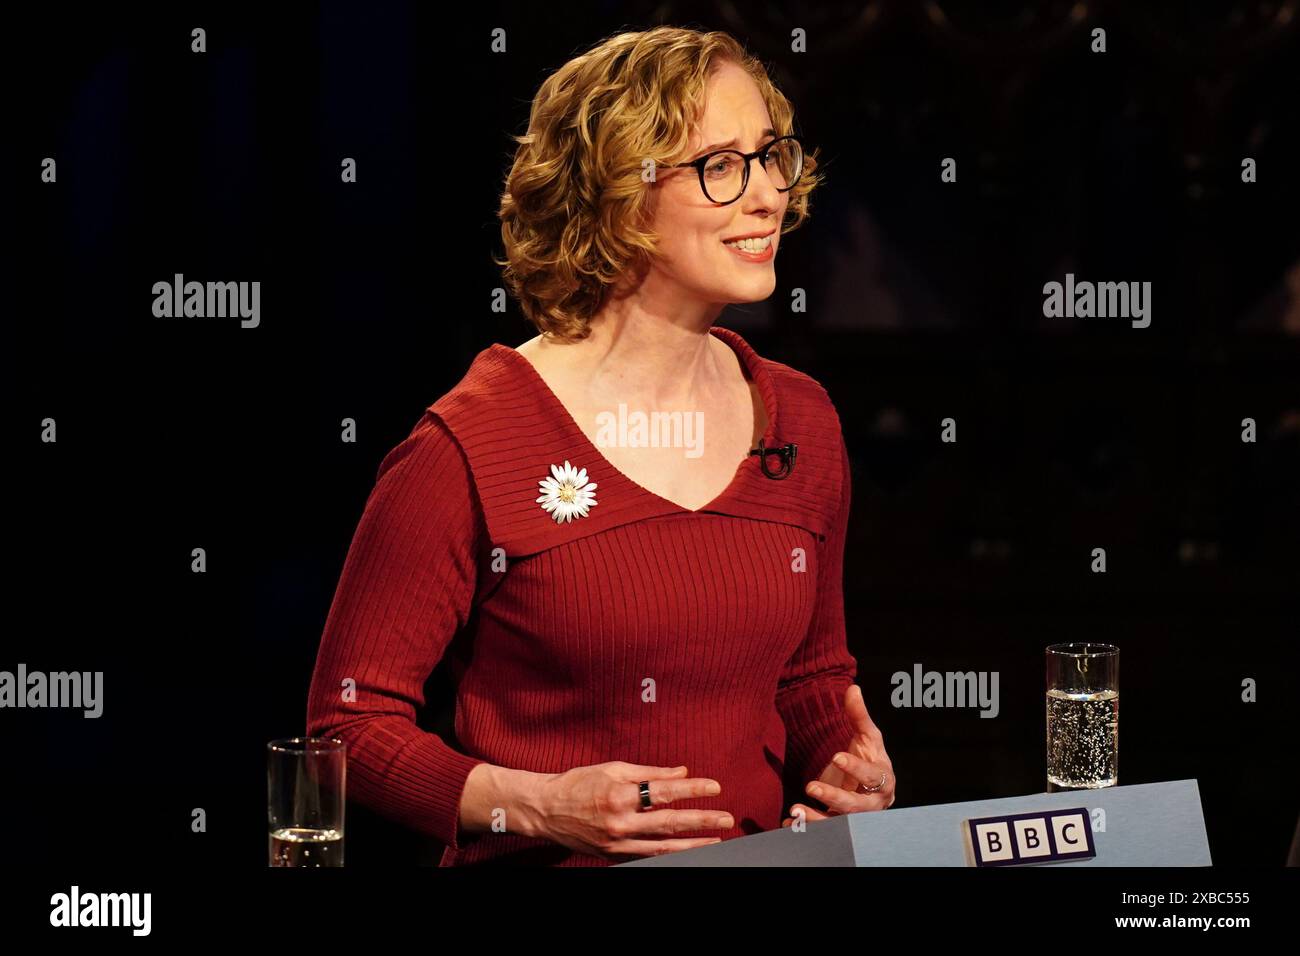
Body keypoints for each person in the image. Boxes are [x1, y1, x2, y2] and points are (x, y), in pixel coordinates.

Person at [306, 25, 895, 866]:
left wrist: (846, 771)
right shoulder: (469, 443)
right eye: (721, 165)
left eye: (771, 155)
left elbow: (808, 678)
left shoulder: (801, 421)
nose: (767, 193)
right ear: (618, 195)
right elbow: (347, 728)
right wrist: (534, 807)